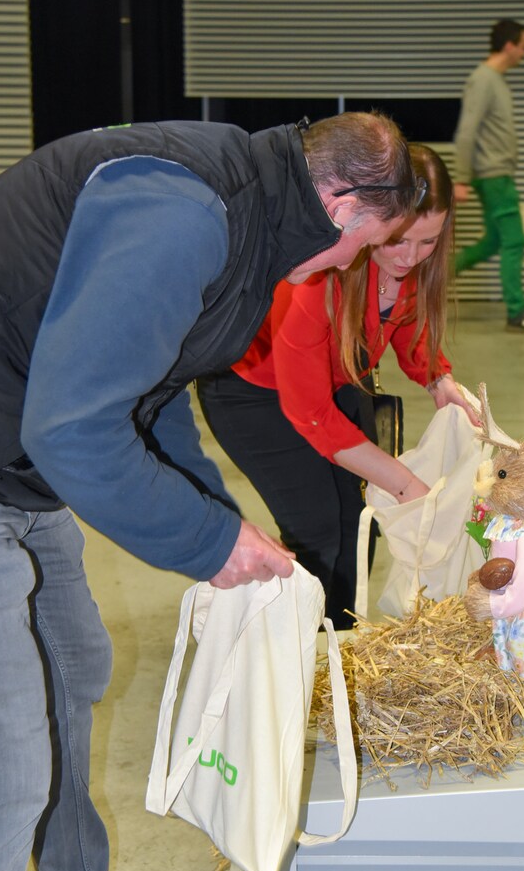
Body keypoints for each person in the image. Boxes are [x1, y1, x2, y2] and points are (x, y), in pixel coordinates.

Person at [0, 111, 419, 871]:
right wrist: (207, 543)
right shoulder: (187, 212)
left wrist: (223, 524)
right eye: (366, 244)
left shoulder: (246, 215)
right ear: (339, 205)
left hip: (15, 460)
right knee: (0, 770)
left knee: (73, 671)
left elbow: (155, 391)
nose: (351, 265)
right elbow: (74, 429)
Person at [197, 144, 480, 630]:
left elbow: (404, 323)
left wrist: (438, 378)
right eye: (398, 241)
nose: (410, 257)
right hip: (252, 392)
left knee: (358, 523)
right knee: (318, 530)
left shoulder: (411, 266)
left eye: (428, 242)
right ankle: (302, 649)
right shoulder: (320, 277)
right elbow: (311, 412)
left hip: (338, 375)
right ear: (379, 220)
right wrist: (404, 483)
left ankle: (340, 636)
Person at [453, 18, 524, 334]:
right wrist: (461, 178)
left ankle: (429, 278)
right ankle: (517, 312)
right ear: (509, 45)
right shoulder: (483, 79)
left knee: (493, 242)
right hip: (493, 176)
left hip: (498, 175)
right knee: (515, 240)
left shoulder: (496, 80)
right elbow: (467, 131)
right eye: (523, 46)